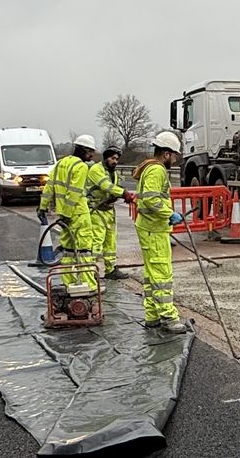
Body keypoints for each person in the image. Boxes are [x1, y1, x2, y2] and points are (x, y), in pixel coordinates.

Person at [132, 131, 185, 333]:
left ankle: (152, 315)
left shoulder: (150, 168)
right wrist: (169, 213)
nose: (175, 159)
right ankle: (168, 317)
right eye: (174, 155)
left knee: (151, 273)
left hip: (150, 226)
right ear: (166, 154)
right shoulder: (157, 170)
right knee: (162, 273)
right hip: (153, 228)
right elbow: (150, 199)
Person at [37, 135, 99, 292]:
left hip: (64, 216)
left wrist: (43, 206)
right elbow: (74, 193)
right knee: (84, 250)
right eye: (91, 152)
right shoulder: (81, 167)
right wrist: (68, 213)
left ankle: (70, 283)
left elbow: (49, 186)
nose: (92, 156)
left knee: (68, 251)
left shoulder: (61, 163)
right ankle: (88, 287)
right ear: (84, 150)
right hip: (77, 214)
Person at [87, 146, 135, 280]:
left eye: (117, 159)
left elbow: (116, 186)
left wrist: (121, 193)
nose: (115, 161)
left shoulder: (113, 172)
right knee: (97, 242)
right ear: (106, 158)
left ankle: (110, 269)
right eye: (112, 158)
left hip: (108, 210)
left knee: (110, 242)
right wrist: (122, 193)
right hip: (96, 210)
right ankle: (91, 272)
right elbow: (106, 186)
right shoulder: (96, 169)